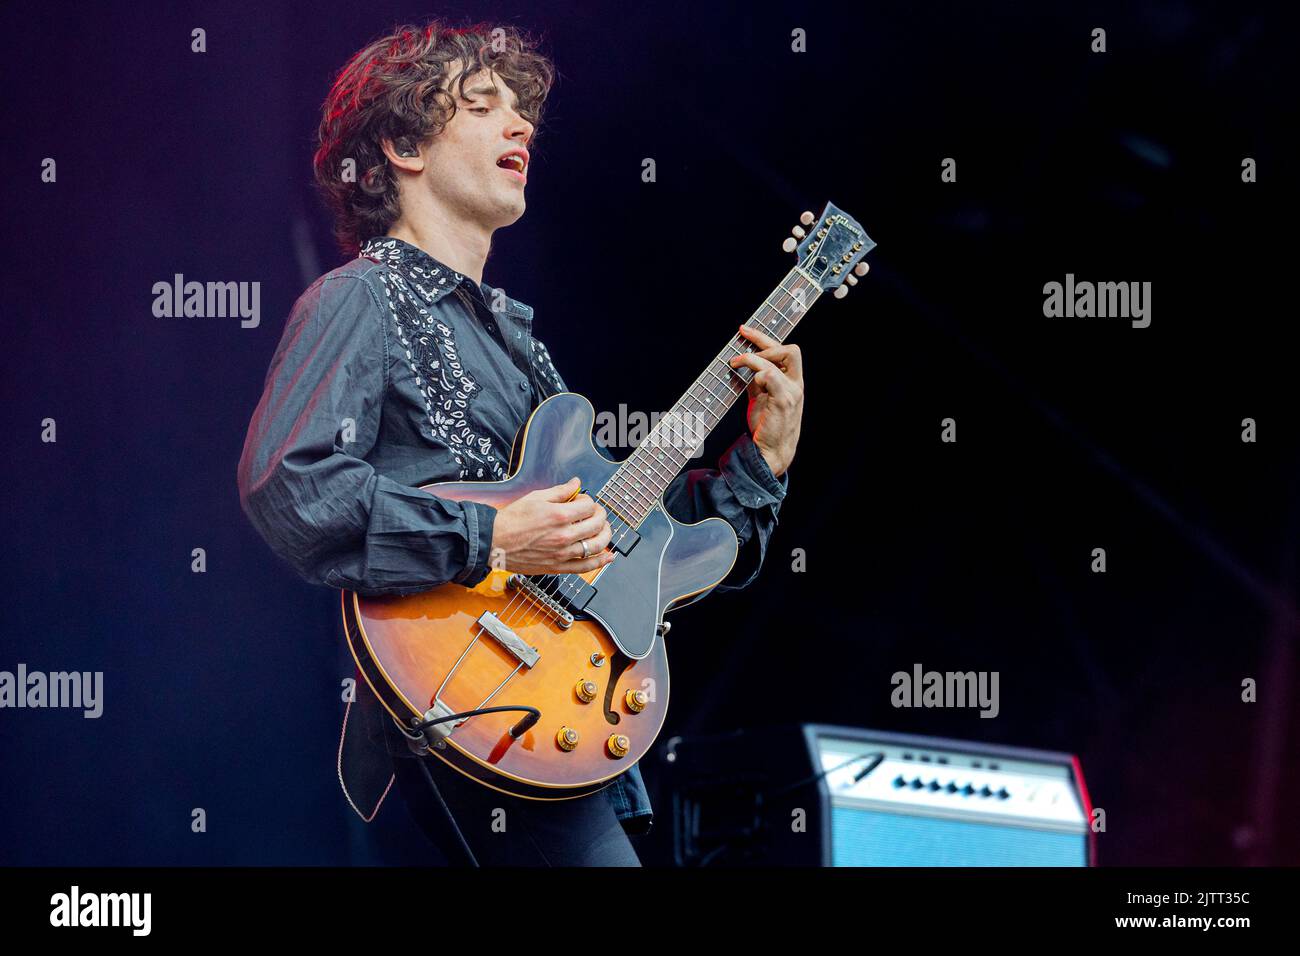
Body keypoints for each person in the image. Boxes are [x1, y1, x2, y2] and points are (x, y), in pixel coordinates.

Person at [237, 21, 804, 866]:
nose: (522, 126)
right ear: (400, 144)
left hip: (557, 708)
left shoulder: (520, 346)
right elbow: (289, 485)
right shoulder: (359, 299)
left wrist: (760, 463)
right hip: (466, 695)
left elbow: (625, 544)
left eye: (523, 110)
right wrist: (494, 535)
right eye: (481, 105)